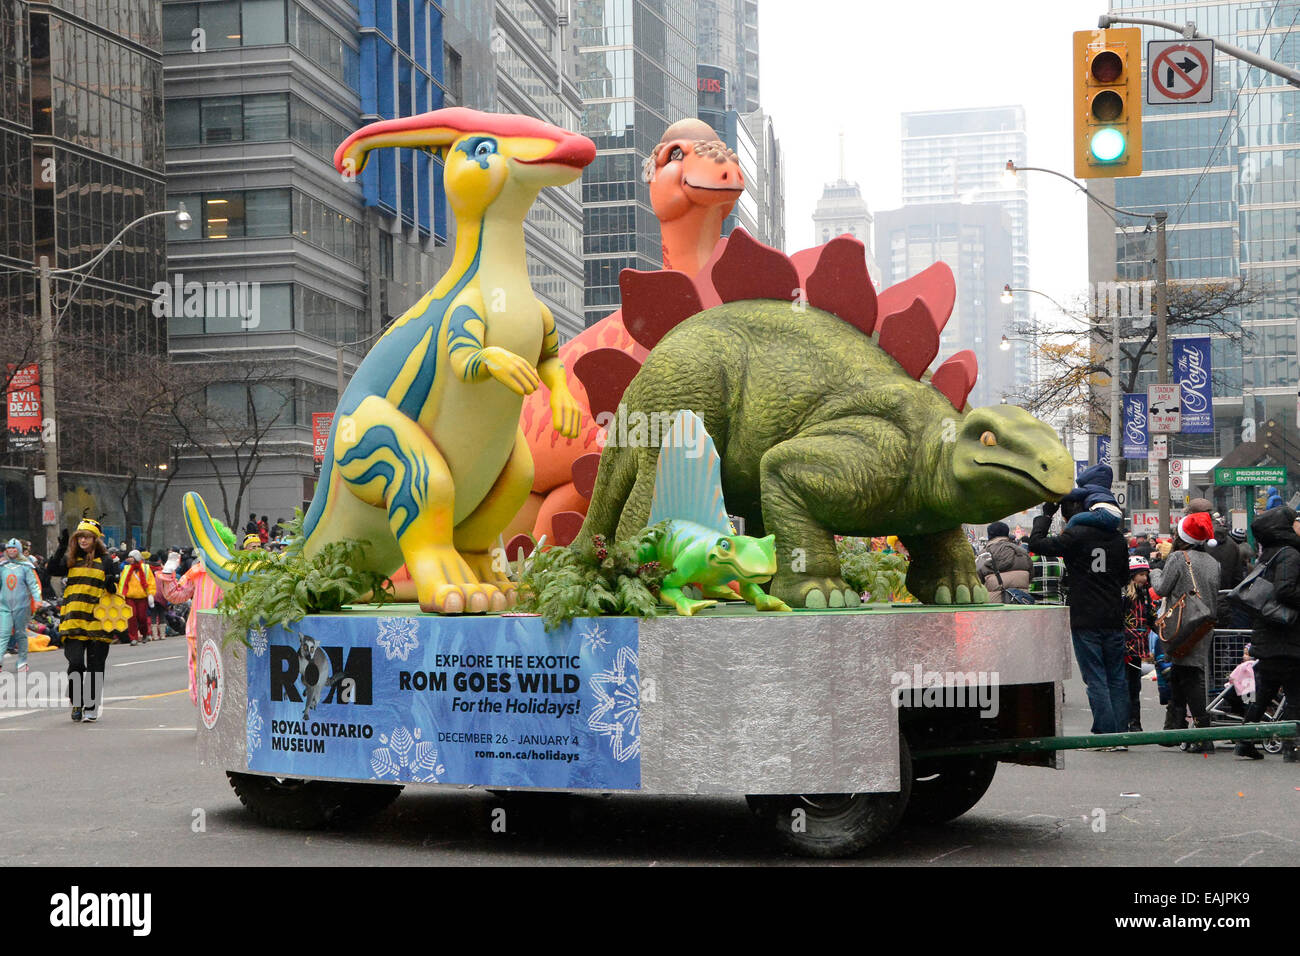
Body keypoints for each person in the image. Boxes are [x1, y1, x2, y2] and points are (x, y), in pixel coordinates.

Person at [1029, 464, 1130, 742]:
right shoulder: (1118, 538)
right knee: (1116, 676)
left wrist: (1046, 515)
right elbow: (1123, 577)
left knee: (1095, 677)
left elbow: (1036, 544)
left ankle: (1104, 735)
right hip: (1112, 614)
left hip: (1085, 615)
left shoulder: (1076, 535)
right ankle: (1122, 734)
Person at [1152, 511, 1221, 754]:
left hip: (1182, 624)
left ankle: (1203, 734)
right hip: (1204, 624)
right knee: (1182, 672)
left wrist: (1155, 570)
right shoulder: (1214, 562)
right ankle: (1174, 727)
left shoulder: (1179, 558)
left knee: (1191, 676)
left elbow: (1161, 589)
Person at [1235, 506, 1300, 761]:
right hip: (1287, 635)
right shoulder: (1291, 554)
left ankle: (1245, 740)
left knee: (1264, 693)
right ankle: (1292, 746)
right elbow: (1285, 591)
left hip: (1270, 633)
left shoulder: (1270, 553)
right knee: (1296, 694)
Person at [46, 519, 119, 722]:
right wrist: (61, 548)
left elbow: (114, 589)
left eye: (86, 537)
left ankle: (91, 707)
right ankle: (76, 700)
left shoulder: (106, 561)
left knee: (96, 666)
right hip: (74, 620)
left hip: (98, 622)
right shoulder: (71, 559)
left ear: (95, 539)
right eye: (79, 537)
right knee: (76, 663)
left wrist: (112, 583)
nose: (83, 540)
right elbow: (51, 569)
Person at [165, 550, 224, 706]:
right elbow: (176, 595)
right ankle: (203, 711)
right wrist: (168, 573)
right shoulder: (198, 571)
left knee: (224, 674)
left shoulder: (232, 572)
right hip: (198, 630)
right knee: (200, 674)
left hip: (227, 632)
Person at [1122, 555, 1156, 731]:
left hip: (1138, 648)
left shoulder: (1145, 596)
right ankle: (1129, 722)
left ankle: (1135, 722)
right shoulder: (1125, 596)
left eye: (1146, 574)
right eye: (1140, 574)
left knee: (1135, 687)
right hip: (1126, 647)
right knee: (1128, 686)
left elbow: (1150, 618)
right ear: (1131, 575)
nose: (1144, 578)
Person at [0, 538, 41, 674]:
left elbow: (33, 585)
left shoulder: (26, 566)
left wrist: (37, 599)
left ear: (18, 549)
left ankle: (22, 661)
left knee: (20, 634)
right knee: (3, 634)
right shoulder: (2, 566)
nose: (11, 551)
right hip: (4, 606)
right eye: (9, 548)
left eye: (14, 548)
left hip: (22, 606)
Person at [976, 521, 1033, 603]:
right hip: (1019, 603)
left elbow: (976, 580)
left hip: (994, 606)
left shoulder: (983, 556)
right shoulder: (1022, 553)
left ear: (989, 536)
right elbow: (1030, 576)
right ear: (1007, 534)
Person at [117, 549, 156, 646]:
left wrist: (151, 594)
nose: (129, 559)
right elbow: (122, 583)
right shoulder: (126, 569)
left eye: (131, 557)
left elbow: (151, 582)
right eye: (129, 557)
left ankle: (144, 634)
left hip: (142, 597)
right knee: (132, 617)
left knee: (142, 617)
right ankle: (133, 638)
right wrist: (121, 595)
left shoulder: (146, 568)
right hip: (130, 597)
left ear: (136, 558)